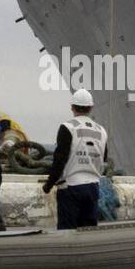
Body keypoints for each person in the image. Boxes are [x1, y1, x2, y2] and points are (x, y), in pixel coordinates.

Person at [42, 88, 108, 229]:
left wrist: (48, 184)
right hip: (93, 188)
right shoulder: (101, 131)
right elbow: (104, 158)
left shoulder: (68, 127)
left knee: (67, 232)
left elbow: (60, 159)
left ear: (72, 107)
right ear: (91, 107)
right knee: (89, 231)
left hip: (70, 188)